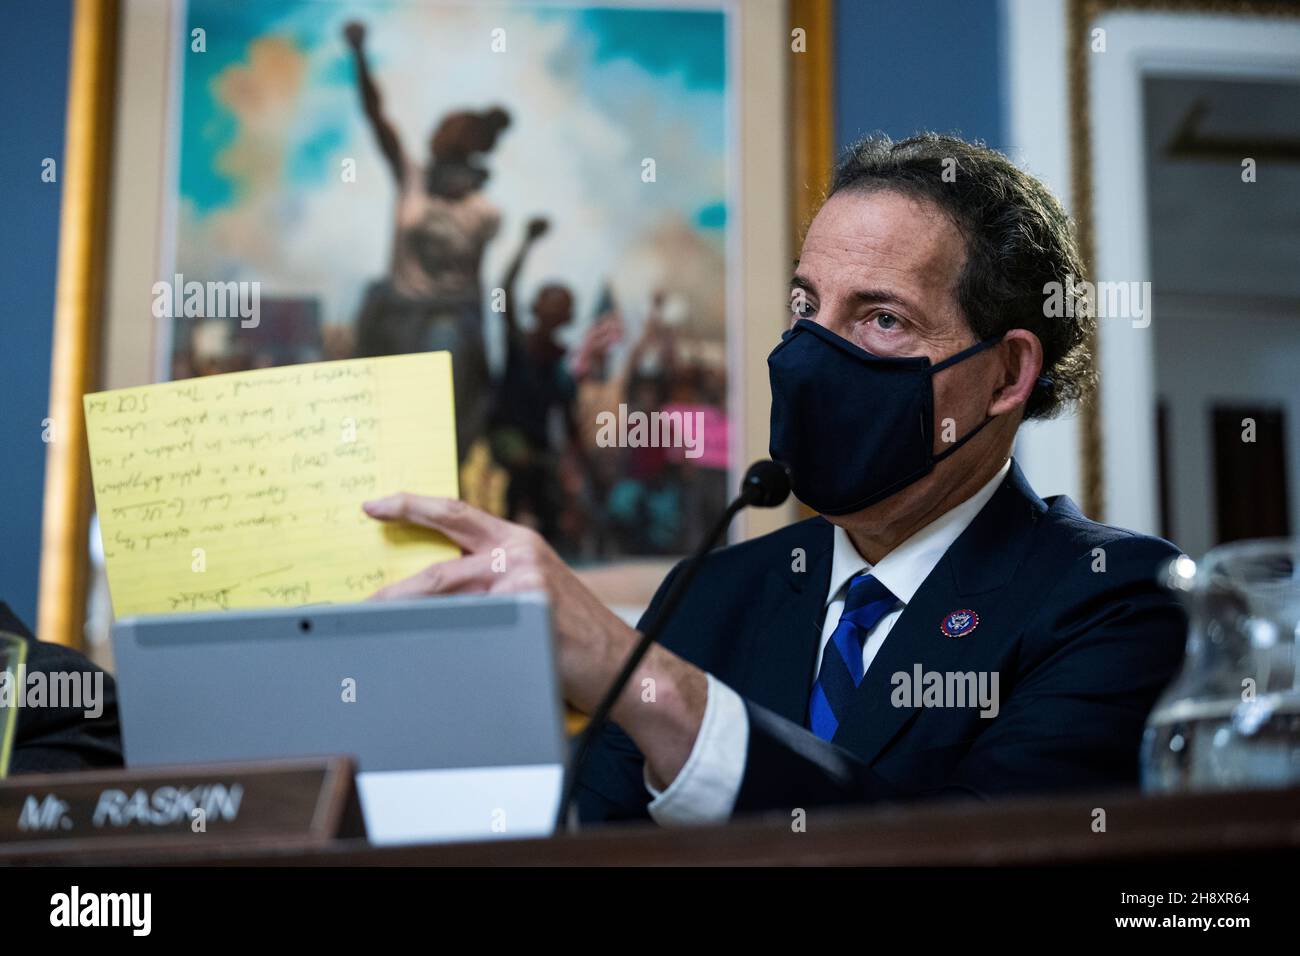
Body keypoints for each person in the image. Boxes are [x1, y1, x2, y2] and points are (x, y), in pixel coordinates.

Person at [361, 134, 1187, 824]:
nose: (810, 356)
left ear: (1006, 374)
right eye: (806, 307)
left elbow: (976, 866)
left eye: (882, 318)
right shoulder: (712, 595)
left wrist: (650, 686)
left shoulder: (1113, 598)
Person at [344, 21, 508, 461]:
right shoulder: (411, 178)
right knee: (377, 420)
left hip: (446, 320)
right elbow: (377, 117)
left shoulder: (484, 213)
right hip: (396, 315)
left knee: (434, 415)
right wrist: (359, 56)